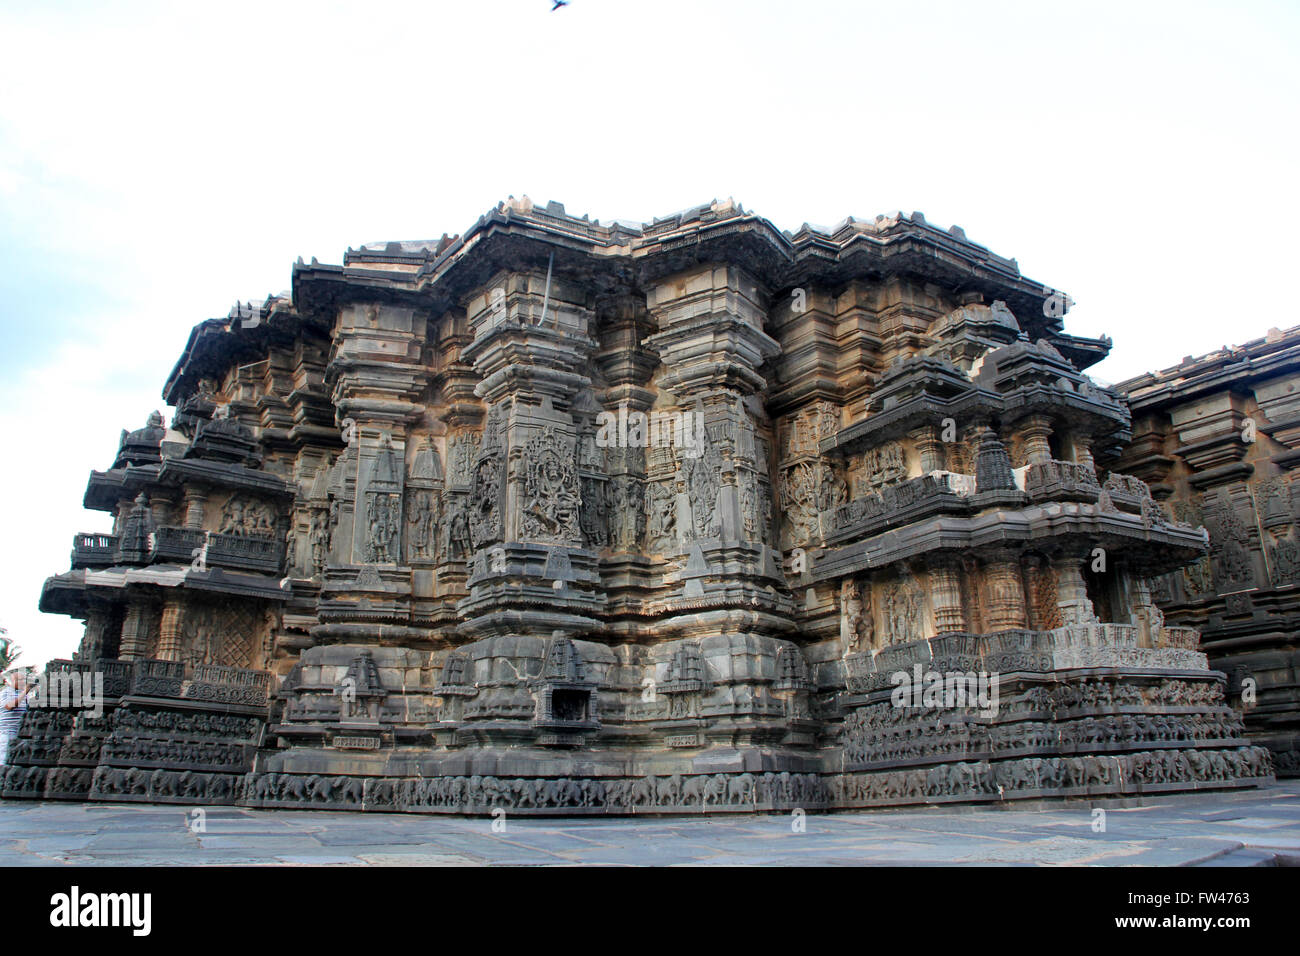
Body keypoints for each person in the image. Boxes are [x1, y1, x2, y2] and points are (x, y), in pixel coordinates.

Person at [0, 670, 34, 766]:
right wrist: (25, 692)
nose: (23, 682)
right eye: (21, 680)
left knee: (14, 760)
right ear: (13, 681)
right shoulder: (5, 693)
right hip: (7, 731)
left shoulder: (24, 695)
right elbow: (10, 706)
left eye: (24, 679)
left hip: (20, 732)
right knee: (4, 759)